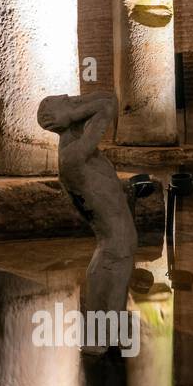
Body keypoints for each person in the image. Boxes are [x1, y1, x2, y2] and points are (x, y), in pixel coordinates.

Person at [36, 91, 137, 329]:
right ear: (59, 117)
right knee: (101, 332)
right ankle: (100, 352)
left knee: (111, 326)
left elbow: (108, 99)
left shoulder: (83, 153)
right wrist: (73, 112)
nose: (78, 102)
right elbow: (108, 103)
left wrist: (70, 111)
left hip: (117, 249)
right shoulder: (74, 156)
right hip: (113, 251)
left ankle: (108, 349)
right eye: (71, 102)